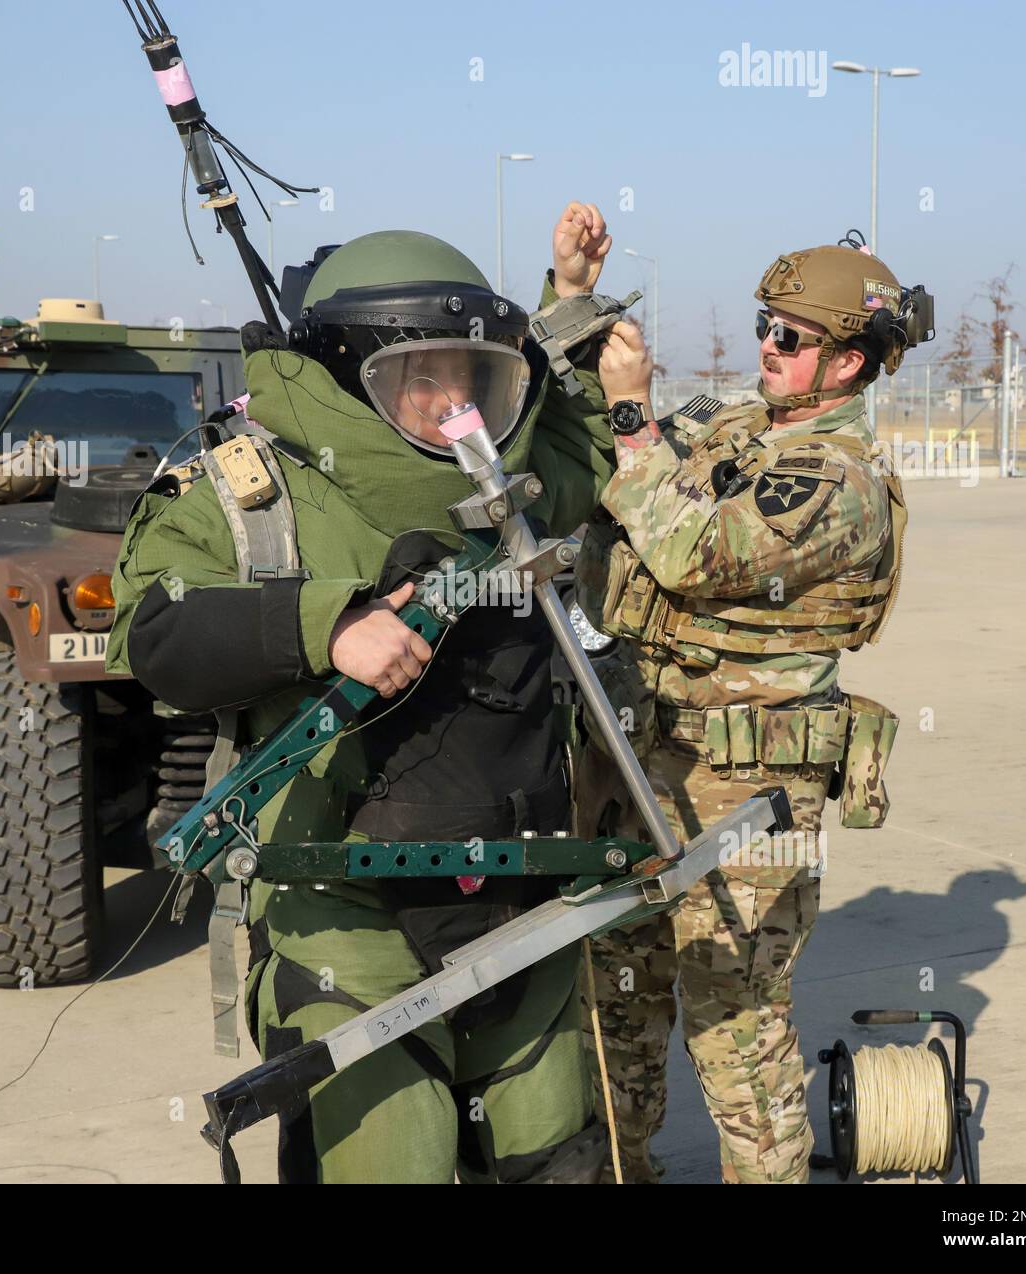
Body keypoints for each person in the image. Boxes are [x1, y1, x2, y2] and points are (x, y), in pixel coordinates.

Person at [106, 202, 655, 1183]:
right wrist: (325, 624)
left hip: (525, 895)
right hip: (344, 910)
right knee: (388, 1156)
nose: (453, 404)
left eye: (474, 377)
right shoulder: (245, 495)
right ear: (341, 371)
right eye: (420, 378)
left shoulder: (507, 478)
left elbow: (579, 448)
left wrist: (565, 301)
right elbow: (154, 629)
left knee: (557, 1156)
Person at [576, 234, 928, 1183]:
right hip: (643, 759)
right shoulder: (742, 425)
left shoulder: (835, 479)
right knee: (618, 992)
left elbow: (694, 549)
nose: (765, 346)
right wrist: (572, 294)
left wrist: (633, 416)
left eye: (789, 335)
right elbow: (595, 440)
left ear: (847, 361)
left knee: (735, 1024)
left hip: (750, 790)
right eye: (765, 327)